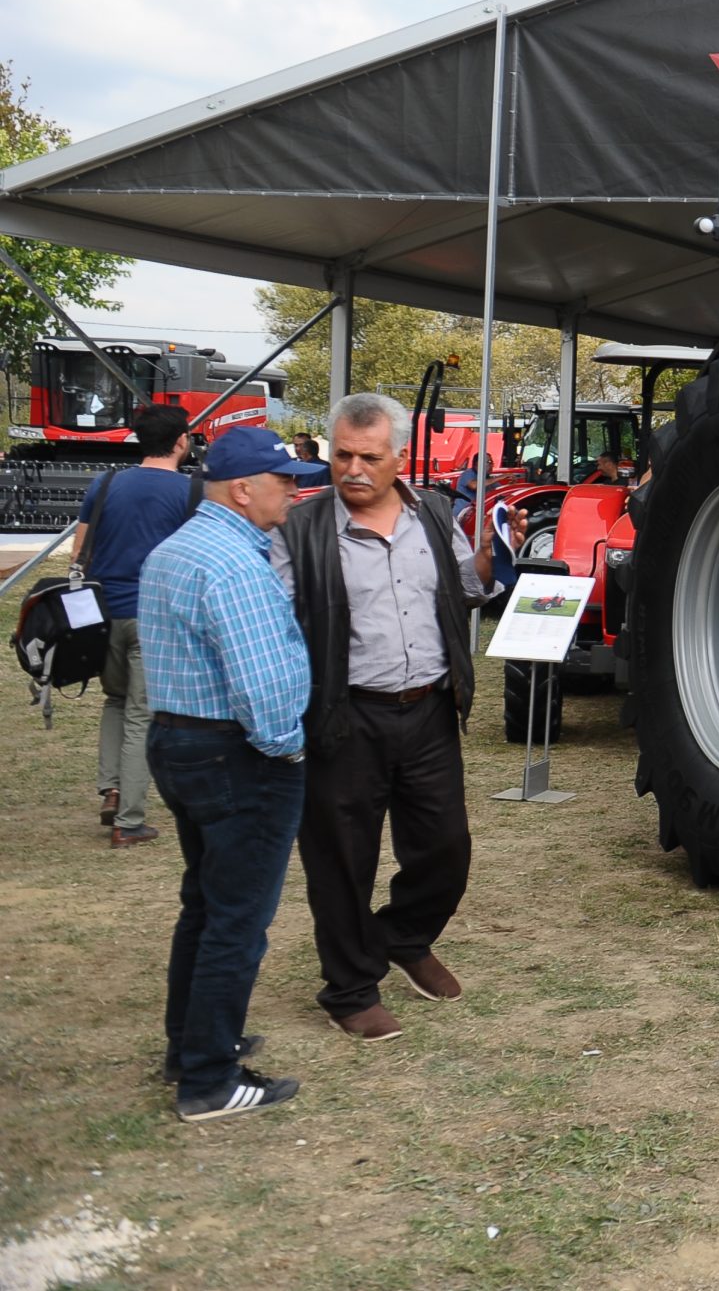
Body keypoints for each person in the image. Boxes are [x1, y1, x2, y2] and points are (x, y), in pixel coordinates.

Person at [276, 392, 495, 1042]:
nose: (353, 468)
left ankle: (402, 935)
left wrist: (486, 565)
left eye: (369, 457)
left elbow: (465, 588)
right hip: (344, 715)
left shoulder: (433, 512)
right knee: (343, 858)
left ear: (399, 457)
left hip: (428, 709)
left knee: (446, 848)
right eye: (343, 454)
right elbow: (277, 620)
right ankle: (349, 989)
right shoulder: (301, 528)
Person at [139, 425, 328, 1121]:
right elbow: (261, 682)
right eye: (285, 482)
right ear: (244, 490)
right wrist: (288, 747)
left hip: (180, 740)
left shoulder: (179, 549)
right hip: (237, 756)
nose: (294, 493)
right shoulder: (234, 565)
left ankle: (189, 1047)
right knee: (237, 920)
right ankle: (210, 1080)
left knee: (206, 903)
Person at [68, 404, 197, 848]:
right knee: (143, 713)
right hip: (154, 617)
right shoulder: (190, 493)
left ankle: (111, 788)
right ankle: (129, 820)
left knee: (115, 700)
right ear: (181, 441)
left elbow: (78, 553)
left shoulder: (105, 484)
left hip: (104, 611)